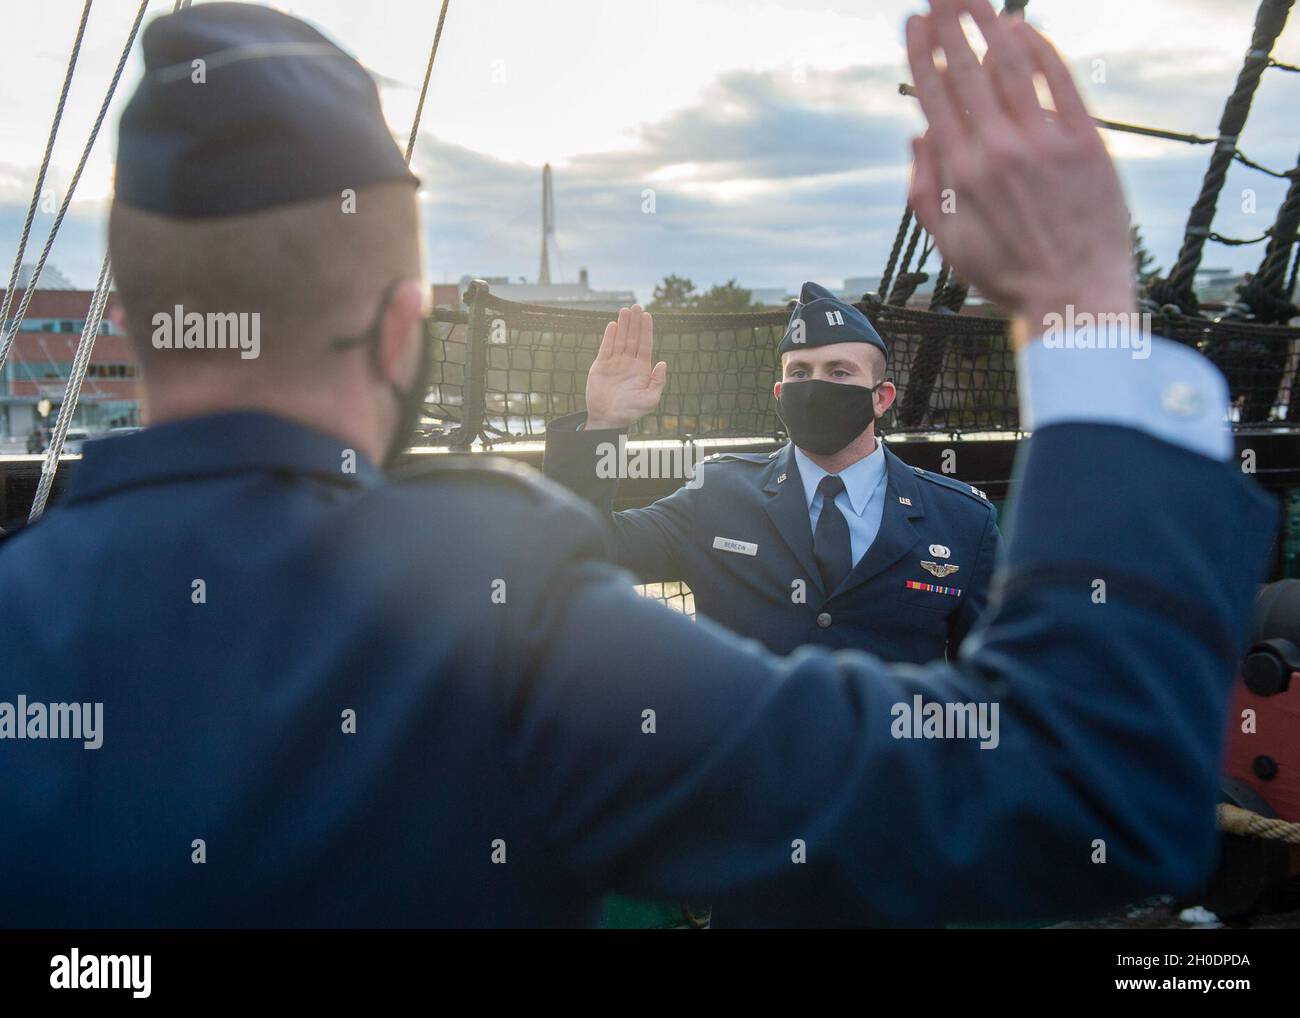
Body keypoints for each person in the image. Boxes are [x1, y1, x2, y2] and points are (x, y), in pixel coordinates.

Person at [0, 0, 1277, 927]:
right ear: (404, 327)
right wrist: (1084, 313)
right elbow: (1081, 801)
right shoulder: (500, 621)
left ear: (129, 323)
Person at [544, 281, 999, 662]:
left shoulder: (961, 522)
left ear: (881, 398)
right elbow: (582, 552)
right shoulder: (716, 495)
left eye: (839, 372)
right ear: (780, 392)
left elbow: (988, 686)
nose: (816, 385)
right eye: (800, 373)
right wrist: (601, 425)